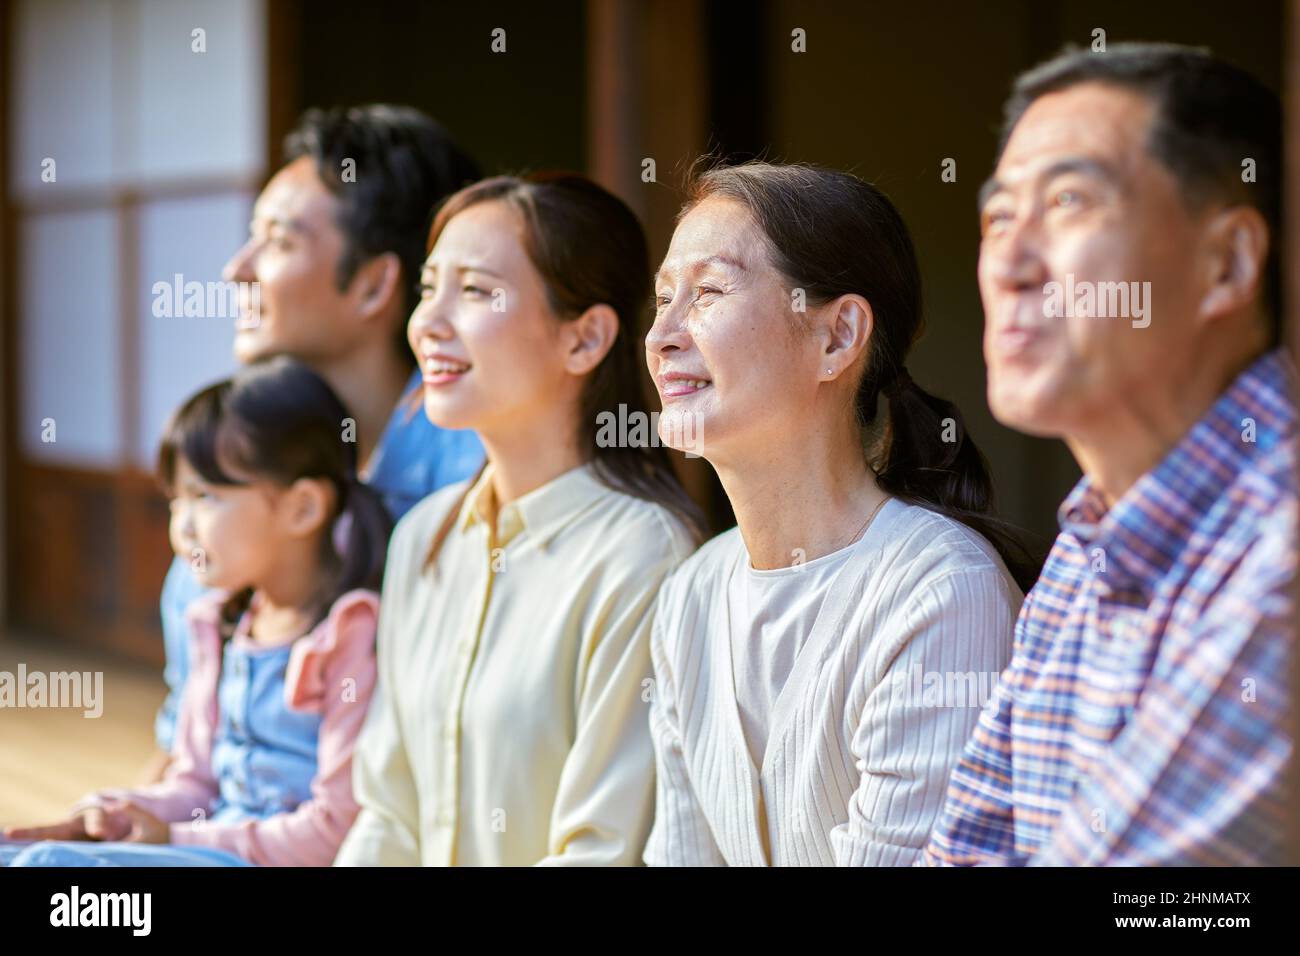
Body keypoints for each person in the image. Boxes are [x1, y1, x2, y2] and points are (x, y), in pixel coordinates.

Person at [921, 43, 1294, 866]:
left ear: (1227, 263)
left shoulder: (1282, 545)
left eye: (1069, 201)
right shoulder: (1087, 543)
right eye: (997, 219)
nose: (1009, 265)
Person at [642, 161, 1031, 866]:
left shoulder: (944, 593)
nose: (662, 336)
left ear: (837, 337)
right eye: (663, 298)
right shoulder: (688, 596)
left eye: (708, 292)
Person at [334, 173, 706, 866]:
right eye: (428, 288)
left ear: (585, 339)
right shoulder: (424, 536)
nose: (428, 323)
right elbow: (388, 816)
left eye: (476, 291)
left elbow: (601, 852)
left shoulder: (644, 557)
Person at [149, 105, 485, 781]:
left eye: (277, 241)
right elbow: (187, 752)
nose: (236, 271)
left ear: (374, 283)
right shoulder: (229, 485)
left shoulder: (477, 475)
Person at [3, 358, 389, 866]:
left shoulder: (348, 635)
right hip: (208, 850)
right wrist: (117, 812)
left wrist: (175, 839)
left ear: (303, 508)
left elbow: (335, 831)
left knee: (49, 867)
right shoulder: (218, 623)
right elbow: (196, 785)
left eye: (204, 496)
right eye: (174, 501)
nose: (181, 525)